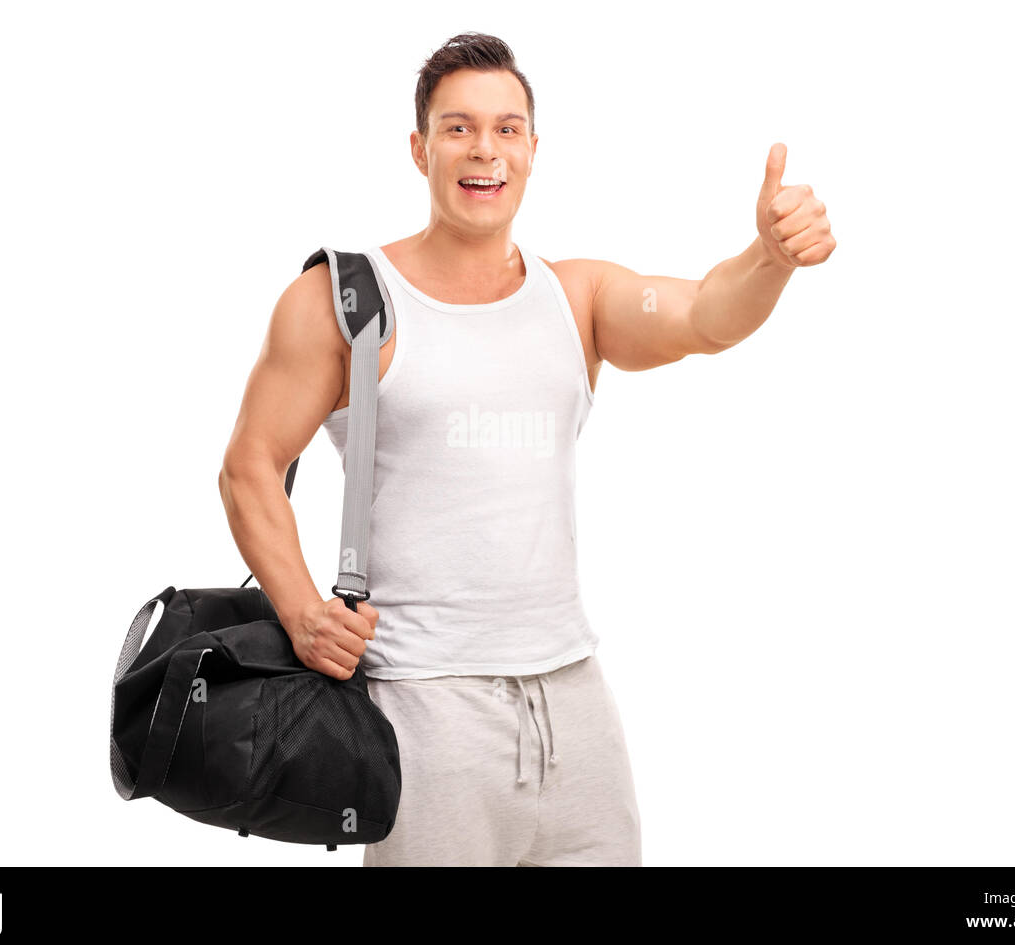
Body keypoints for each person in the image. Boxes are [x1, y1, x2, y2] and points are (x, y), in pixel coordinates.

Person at [217, 32, 835, 866]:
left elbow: (703, 316)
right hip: (424, 706)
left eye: (508, 129)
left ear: (534, 151)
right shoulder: (343, 299)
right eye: (459, 127)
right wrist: (300, 612)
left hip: (574, 701)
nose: (485, 150)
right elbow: (249, 463)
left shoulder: (576, 297)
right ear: (420, 148)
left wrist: (768, 257)